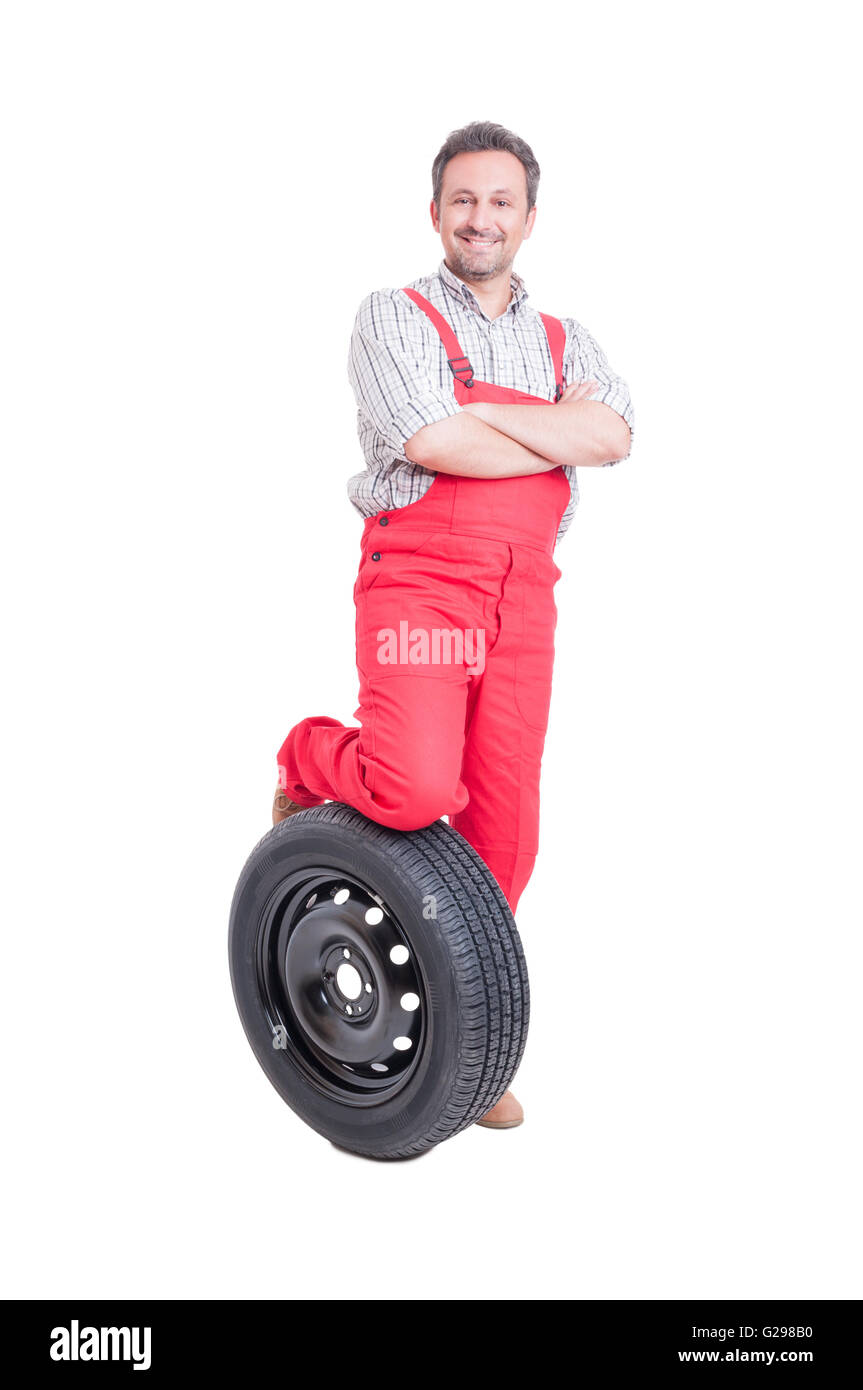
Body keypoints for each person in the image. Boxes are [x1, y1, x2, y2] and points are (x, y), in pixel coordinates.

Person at [272, 121, 634, 1129]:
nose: (481, 217)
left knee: (503, 836)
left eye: (500, 201)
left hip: (525, 596)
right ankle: (307, 760)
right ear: (434, 212)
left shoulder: (569, 339)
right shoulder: (391, 316)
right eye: (462, 200)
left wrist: (488, 419)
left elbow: (612, 434)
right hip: (424, 579)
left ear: (528, 218)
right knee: (419, 785)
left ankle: (464, 1052)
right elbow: (429, 438)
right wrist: (542, 425)